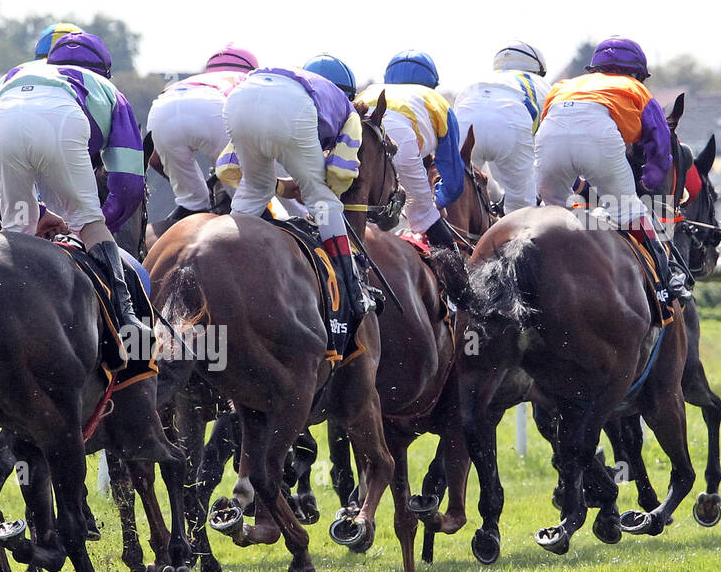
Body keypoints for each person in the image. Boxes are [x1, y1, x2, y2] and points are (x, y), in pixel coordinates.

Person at [0, 32, 148, 338]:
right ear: (104, 71)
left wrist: (34, 213)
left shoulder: (16, 73)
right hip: (62, 119)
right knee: (90, 220)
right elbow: (129, 184)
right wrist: (94, 223)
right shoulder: (107, 89)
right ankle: (125, 315)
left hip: (0, 119)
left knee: (17, 228)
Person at [215, 55, 372, 348]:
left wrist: (285, 186)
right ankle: (352, 286)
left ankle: (230, 252)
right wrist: (316, 189)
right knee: (323, 200)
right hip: (290, 111)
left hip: (237, 100)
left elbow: (228, 169)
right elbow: (339, 174)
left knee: (253, 190)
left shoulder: (293, 82)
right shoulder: (346, 108)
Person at [536, 36, 687, 301]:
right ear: (637, 73)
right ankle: (665, 282)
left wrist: (575, 183)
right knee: (630, 209)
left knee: (549, 212)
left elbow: (551, 128)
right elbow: (661, 144)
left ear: (594, 69)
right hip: (598, 139)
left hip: (549, 137)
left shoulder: (564, 85)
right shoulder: (635, 88)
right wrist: (650, 179)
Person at [357, 50, 466, 251]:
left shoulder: (368, 91)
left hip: (357, 141)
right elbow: (454, 184)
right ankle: (460, 281)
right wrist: (437, 203)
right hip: (402, 143)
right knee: (424, 216)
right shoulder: (438, 102)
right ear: (432, 82)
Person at [147, 45, 258, 222]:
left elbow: (154, 160)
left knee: (192, 203)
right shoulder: (251, 80)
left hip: (162, 108)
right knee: (250, 201)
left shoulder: (197, 79)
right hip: (212, 106)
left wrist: (191, 183)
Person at [453, 41, 550, 213]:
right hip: (511, 124)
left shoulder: (479, 79)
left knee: (458, 197)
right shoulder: (541, 84)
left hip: (466, 121)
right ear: (536, 69)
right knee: (520, 209)